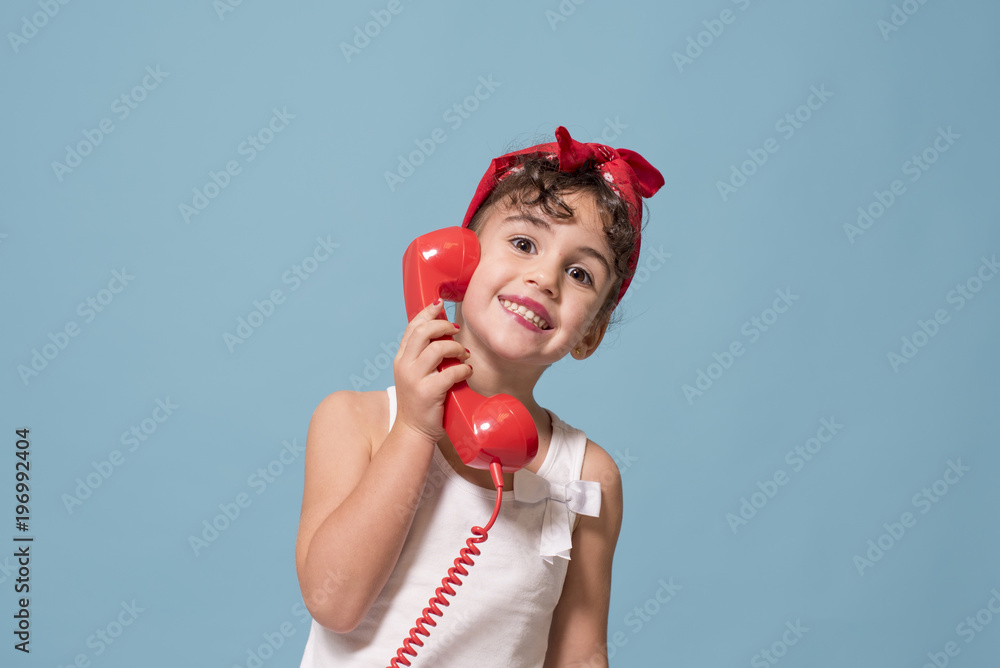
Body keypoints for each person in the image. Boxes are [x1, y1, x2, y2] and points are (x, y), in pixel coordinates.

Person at [295, 126, 664, 667]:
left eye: (580, 272)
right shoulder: (354, 421)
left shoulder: (587, 476)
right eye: (523, 243)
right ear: (459, 260)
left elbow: (580, 654)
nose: (544, 278)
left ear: (591, 332)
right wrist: (417, 429)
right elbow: (335, 602)